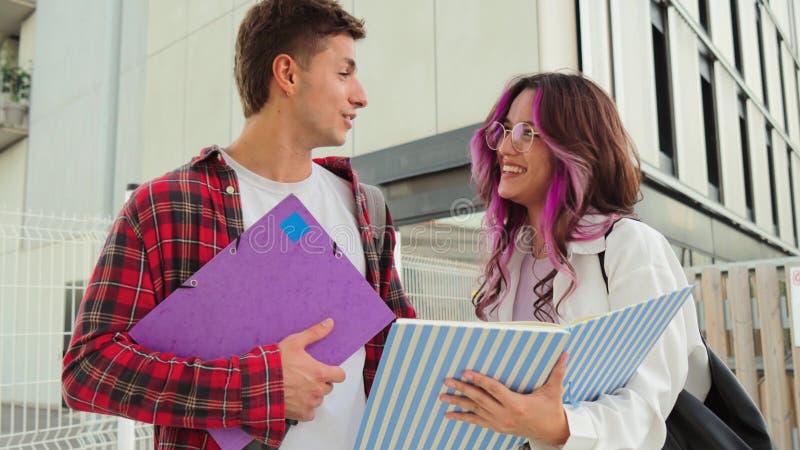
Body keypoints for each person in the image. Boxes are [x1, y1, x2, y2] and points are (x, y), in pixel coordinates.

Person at [61, 1, 414, 449]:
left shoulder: (366, 208)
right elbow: (89, 370)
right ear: (287, 74)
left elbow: (398, 357)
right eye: (344, 73)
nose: (361, 95)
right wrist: (256, 386)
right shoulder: (166, 206)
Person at [439, 73, 711, 449]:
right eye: (503, 131)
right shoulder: (510, 256)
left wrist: (562, 426)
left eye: (526, 133)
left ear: (574, 149)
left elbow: (651, 404)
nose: (504, 146)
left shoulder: (630, 246)